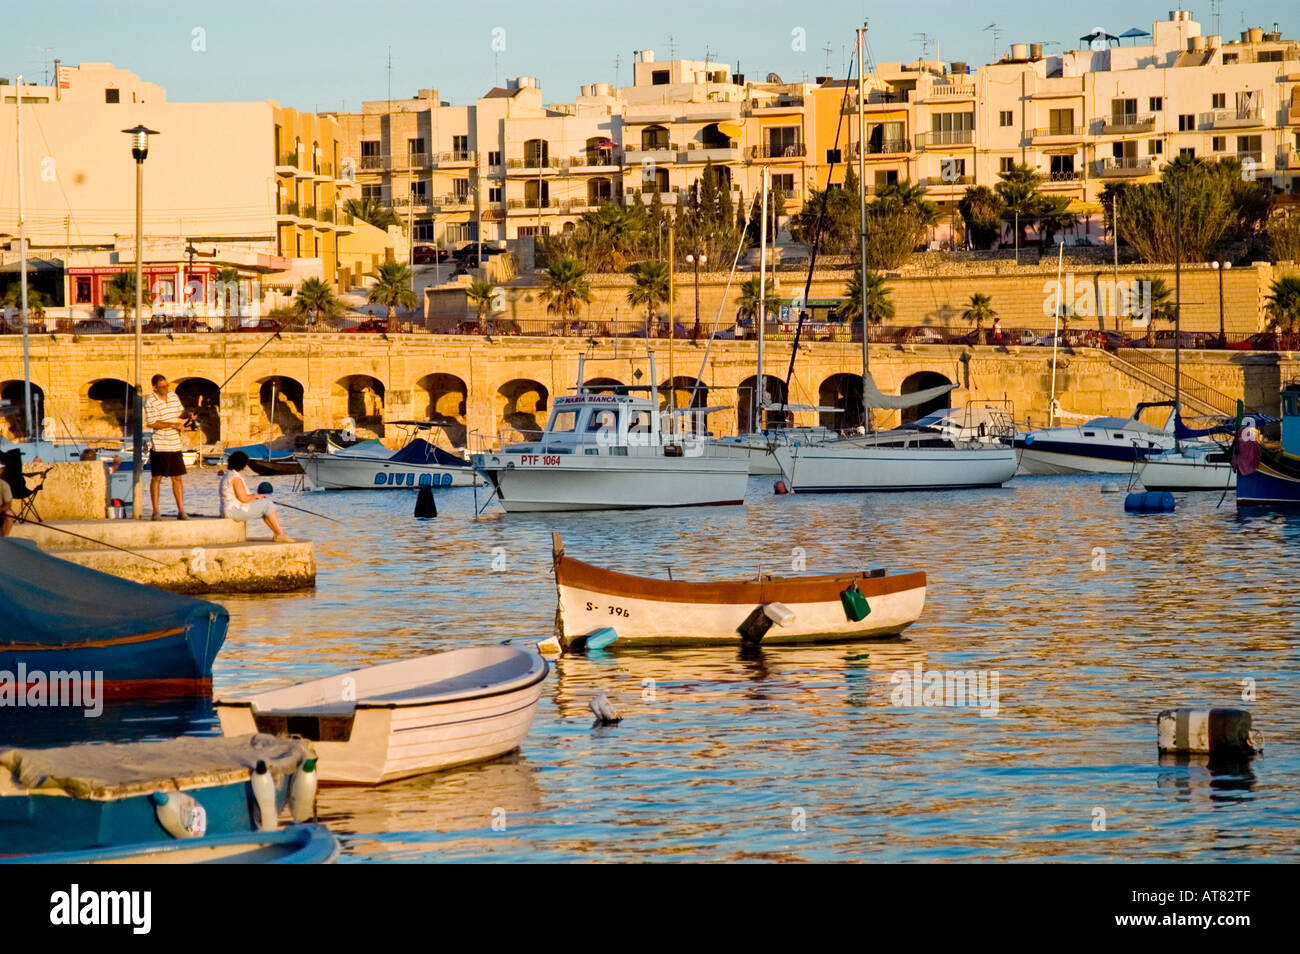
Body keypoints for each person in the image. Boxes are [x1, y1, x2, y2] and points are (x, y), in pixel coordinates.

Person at [144, 373, 192, 520]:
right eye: (162, 387)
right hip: (159, 445)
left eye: (167, 385)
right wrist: (173, 424)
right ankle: (156, 511)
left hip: (175, 445)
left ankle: (181, 510)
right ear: (155, 388)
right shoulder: (150, 401)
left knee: (177, 477)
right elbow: (151, 423)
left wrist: (188, 414)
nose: (166, 389)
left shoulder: (173, 396)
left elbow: (180, 413)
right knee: (156, 478)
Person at [220, 452, 293, 543]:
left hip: (228, 510)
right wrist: (255, 496)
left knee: (266, 505)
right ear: (243, 464)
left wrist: (257, 497)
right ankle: (281, 534)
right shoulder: (236, 478)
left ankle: (278, 534)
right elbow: (243, 499)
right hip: (233, 512)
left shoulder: (228, 475)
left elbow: (241, 497)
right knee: (268, 505)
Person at [0, 458, 14, 536]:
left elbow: (8, 504)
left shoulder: (4, 485)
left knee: (9, 514)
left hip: (1, 513)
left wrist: (1, 509)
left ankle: (5, 538)